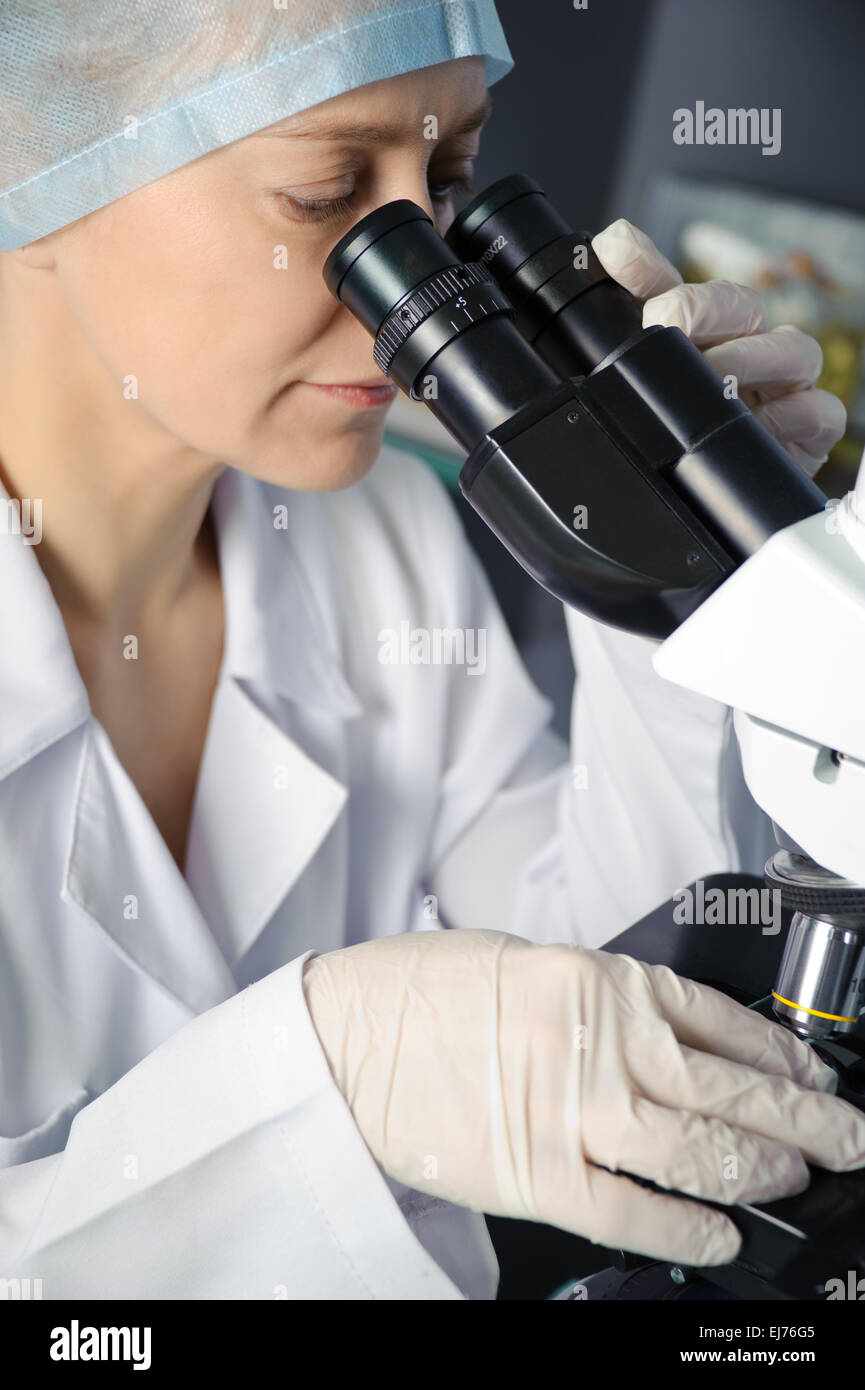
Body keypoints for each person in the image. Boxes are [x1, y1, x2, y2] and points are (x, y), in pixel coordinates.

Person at [0, 0, 860, 1302]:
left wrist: (666, 580)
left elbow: (592, 991)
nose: (428, 273)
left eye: (446, 180)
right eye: (324, 187)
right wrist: (318, 1084)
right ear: (37, 161)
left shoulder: (376, 533)